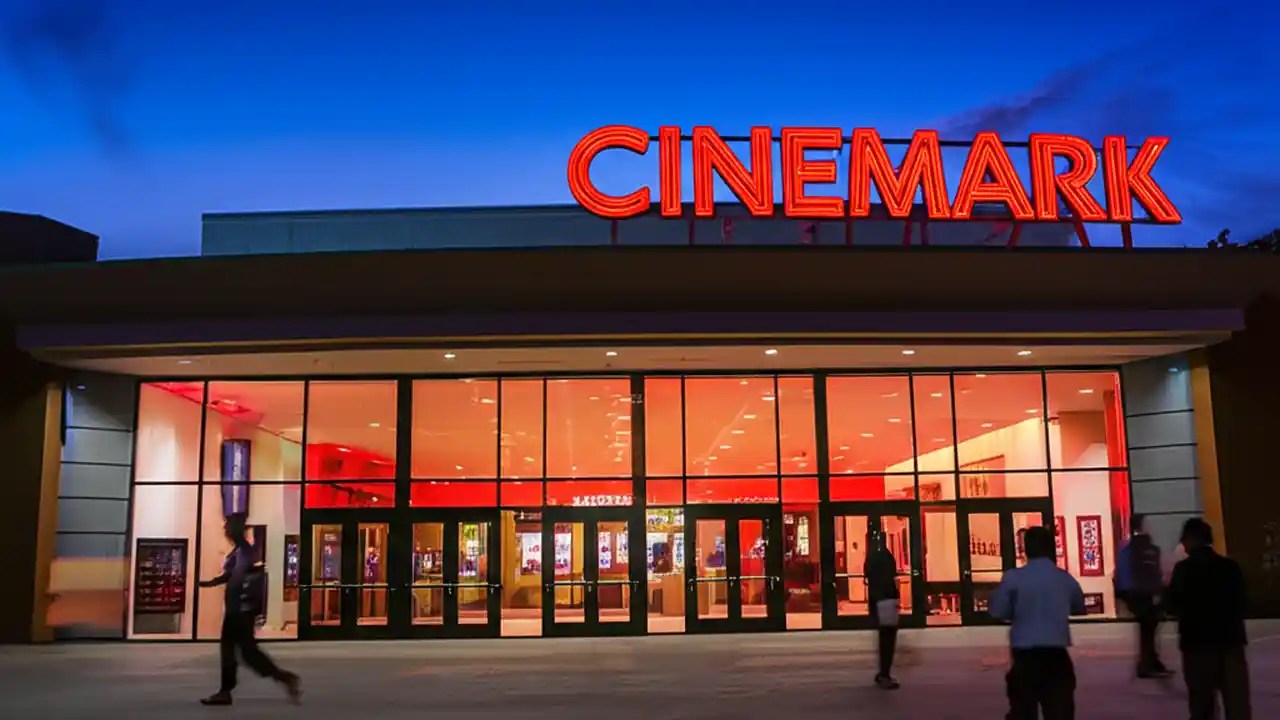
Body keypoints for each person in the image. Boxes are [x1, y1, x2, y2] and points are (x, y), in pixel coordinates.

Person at [198, 514, 301, 706]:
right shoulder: (239, 552)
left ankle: (283, 678)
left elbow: (250, 579)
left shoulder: (246, 553)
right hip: (237, 610)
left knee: (243, 652)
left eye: (228, 526)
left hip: (240, 612)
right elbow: (230, 575)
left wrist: (247, 608)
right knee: (239, 651)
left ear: (236, 529)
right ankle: (228, 690)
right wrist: (210, 583)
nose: (225, 530)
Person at [989, 526, 1085, 720]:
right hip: (1056, 656)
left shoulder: (1014, 578)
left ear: (1026, 549)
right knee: (1060, 712)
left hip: (1025, 657)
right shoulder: (1064, 578)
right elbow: (1079, 607)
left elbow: (998, 611)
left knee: (1023, 711)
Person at [1163, 518, 1251, 719]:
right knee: (1237, 704)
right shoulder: (1230, 567)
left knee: (1202, 704)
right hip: (1231, 643)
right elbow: (1244, 601)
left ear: (1192, 539)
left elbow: (1172, 605)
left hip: (1197, 646)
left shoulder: (1184, 570)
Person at [1115, 514, 1174, 678]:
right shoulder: (1142, 548)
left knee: (1148, 627)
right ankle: (1147, 663)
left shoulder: (1128, 547)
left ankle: (1150, 661)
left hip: (1137, 593)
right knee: (1148, 627)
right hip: (1142, 593)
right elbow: (1151, 572)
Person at [864, 527, 901, 690]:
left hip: (878, 599)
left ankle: (883, 673)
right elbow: (892, 577)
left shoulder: (871, 558)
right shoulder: (886, 557)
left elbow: (868, 578)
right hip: (886, 599)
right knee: (888, 638)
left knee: (884, 637)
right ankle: (884, 674)